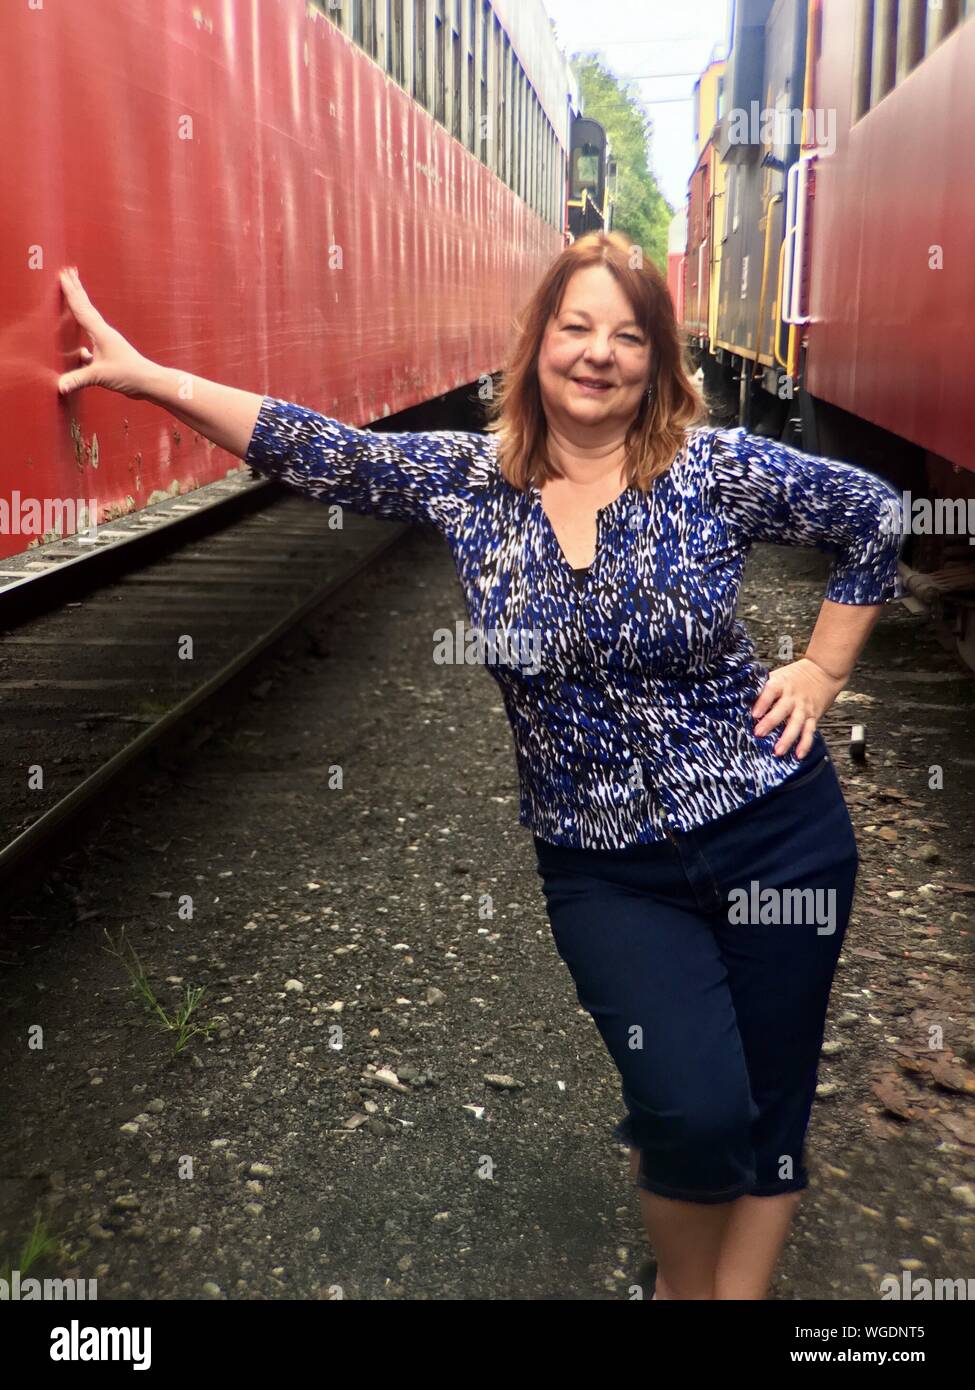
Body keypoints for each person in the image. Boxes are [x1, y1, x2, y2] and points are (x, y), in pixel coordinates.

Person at [56, 233, 905, 1300]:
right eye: (576, 328)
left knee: (769, 1106)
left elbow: (872, 515)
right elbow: (316, 449)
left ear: (658, 361)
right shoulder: (470, 482)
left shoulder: (717, 469)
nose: (599, 353)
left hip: (780, 834)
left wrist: (824, 670)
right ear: (538, 345)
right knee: (694, 1109)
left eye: (628, 335)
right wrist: (148, 378)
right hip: (605, 869)